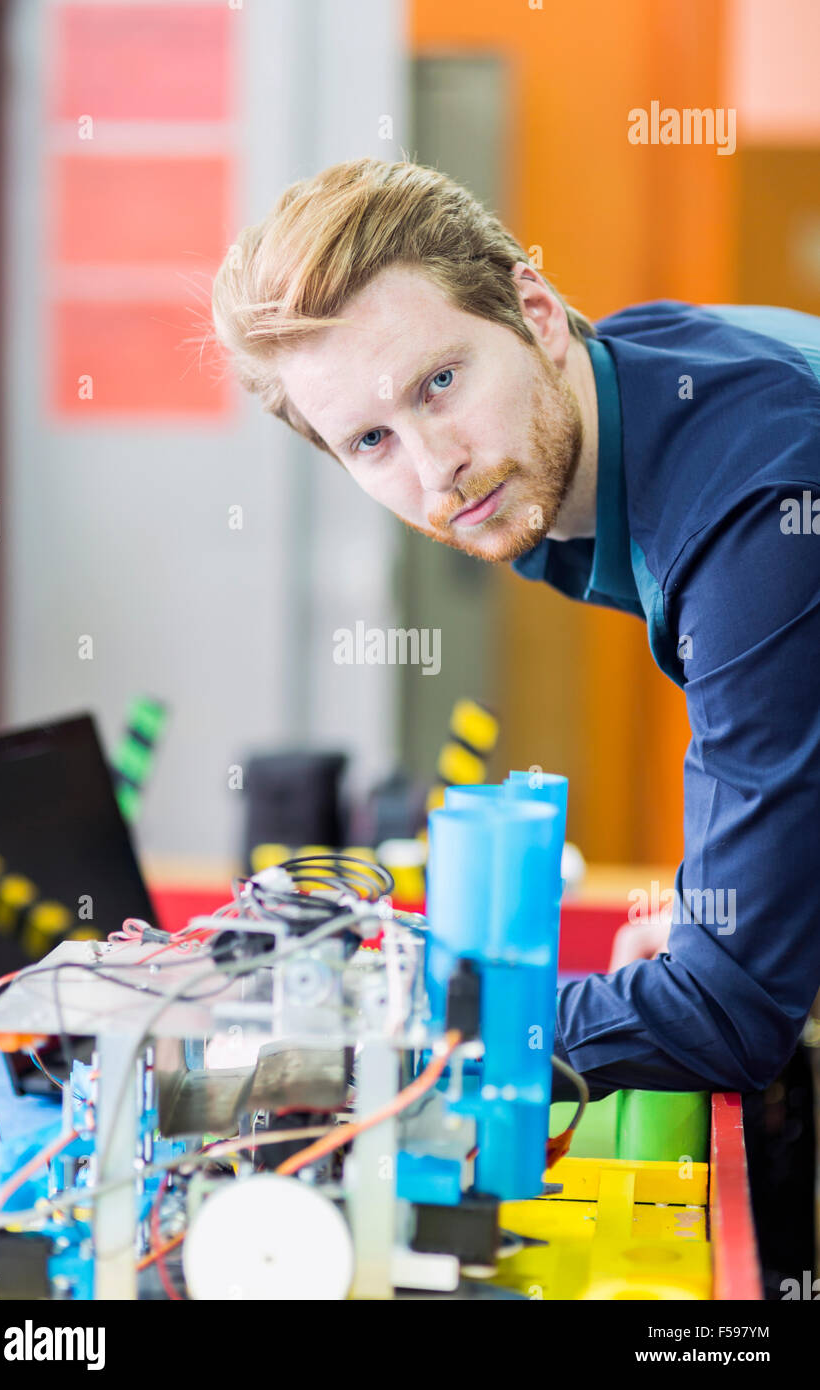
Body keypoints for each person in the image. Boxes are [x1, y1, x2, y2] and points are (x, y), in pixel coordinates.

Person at [212, 157, 820, 1102]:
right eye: (370, 442)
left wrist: (385, 1047)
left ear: (533, 310)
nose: (435, 469)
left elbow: (723, 1016)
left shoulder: (753, 507)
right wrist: (749, 905)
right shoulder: (621, 395)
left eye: (440, 382)